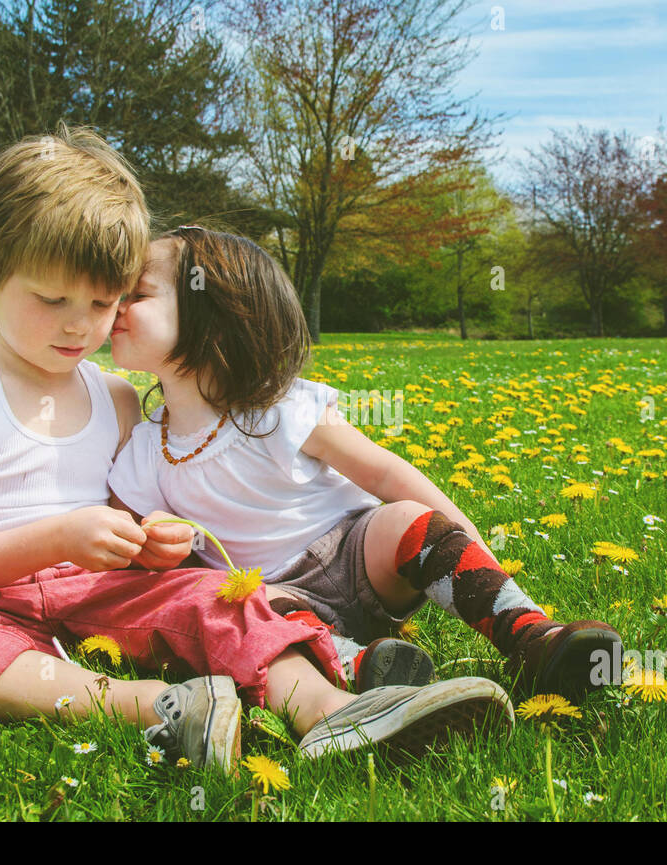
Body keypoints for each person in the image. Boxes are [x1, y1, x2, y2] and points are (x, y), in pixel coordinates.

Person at [0, 125, 513, 771]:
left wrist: (150, 538)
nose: (80, 324)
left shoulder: (114, 398)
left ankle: (327, 709)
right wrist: (59, 539)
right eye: (52, 299)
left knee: (213, 594)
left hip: (105, 595)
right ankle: (152, 707)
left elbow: (129, 520)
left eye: (105, 301)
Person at [107, 226, 624, 702]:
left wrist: (468, 545)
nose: (114, 305)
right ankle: (369, 668)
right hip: (270, 595)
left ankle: (531, 636)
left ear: (213, 318)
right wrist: (154, 545)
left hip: (356, 557)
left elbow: (386, 475)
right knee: (250, 614)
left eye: (137, 294)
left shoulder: (282, 410)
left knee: (401, 518)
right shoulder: (145, 448)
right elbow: (132, 550)